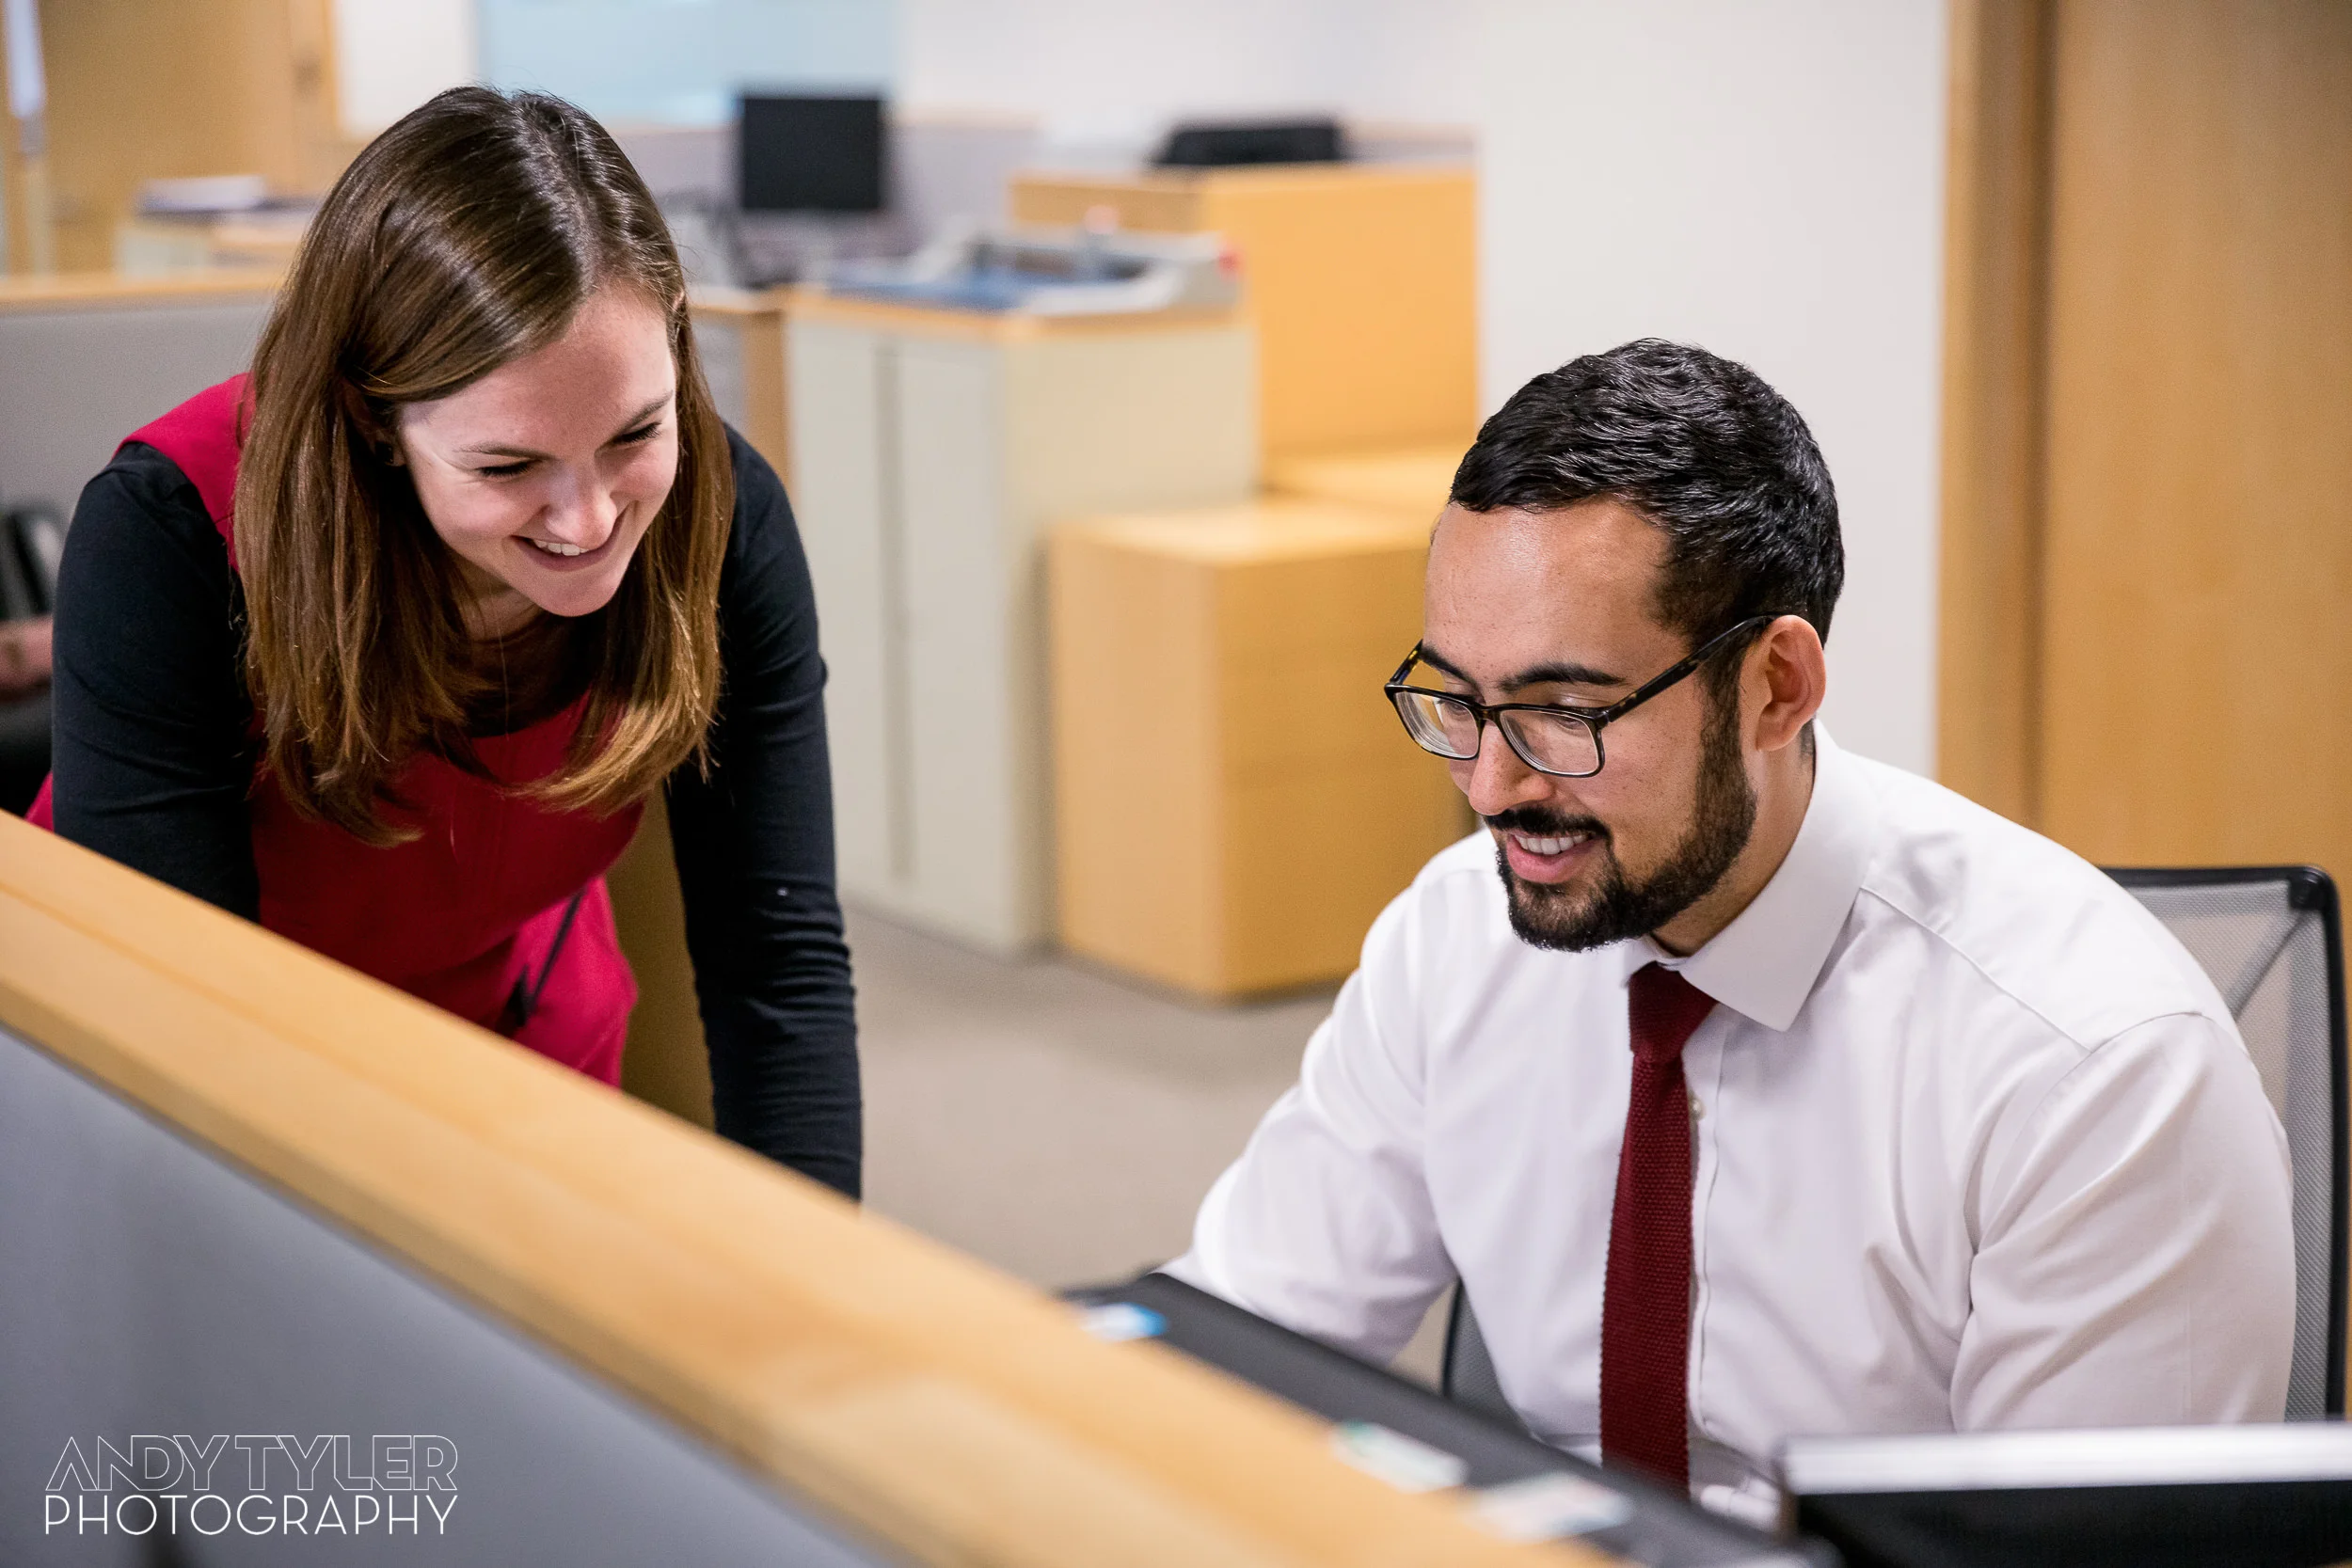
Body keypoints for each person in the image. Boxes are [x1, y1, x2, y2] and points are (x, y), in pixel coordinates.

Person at [1168, 341, 2294, 1509]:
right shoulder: (1457, 939)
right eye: (1455, 699)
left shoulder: (2091, 1071)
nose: (1490, 784)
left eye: (1563, 710)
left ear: (1775, 688)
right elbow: (1235, 1336)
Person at [34, 87, 858, 1197]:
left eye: (636, 434)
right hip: (222, 1046)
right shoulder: (173, 532)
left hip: (514, 1020)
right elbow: (180, 1018)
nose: (591, 520)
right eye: (509, 467)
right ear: (373, 420)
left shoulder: (722, 512)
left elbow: (779, 956)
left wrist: (815, 1282)